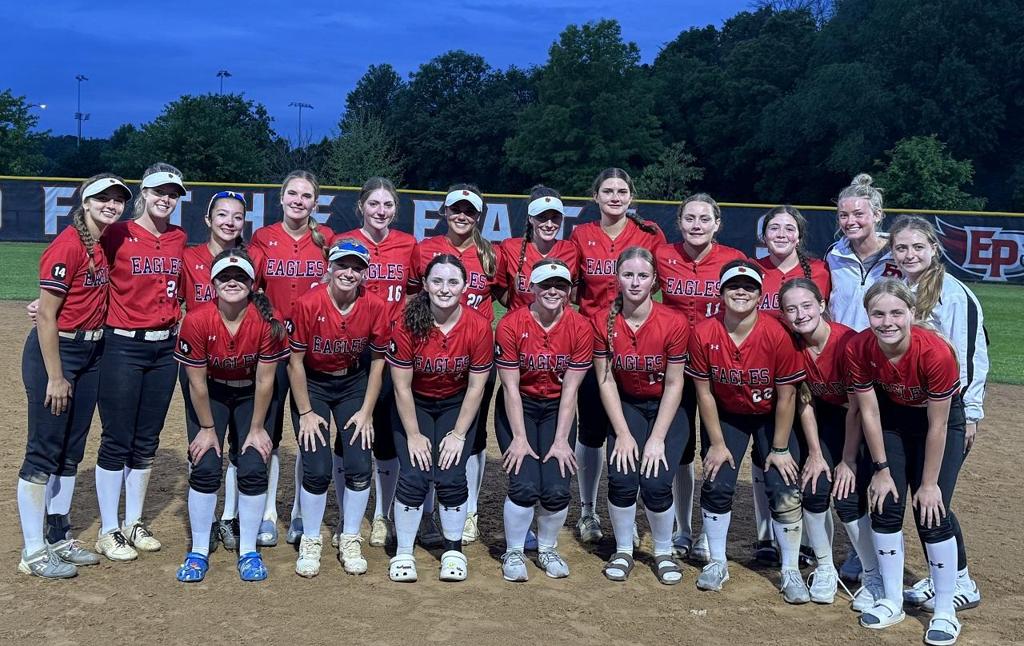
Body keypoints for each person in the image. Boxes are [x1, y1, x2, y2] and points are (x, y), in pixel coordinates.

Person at [17, 175, 130, 578]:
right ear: (85, 201)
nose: (111, 205)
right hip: (58, 353)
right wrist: (55, 376)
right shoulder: (68, 244)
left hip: (90, 351)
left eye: (118, 200)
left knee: (71, 451)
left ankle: (59, 534)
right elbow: (47, 315)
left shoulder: (101, 243)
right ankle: (33, 551)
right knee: (44, 450)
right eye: (103, 198)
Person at [846, 279, 967, 646]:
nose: (888, 322)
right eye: (878, 313)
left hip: (938, 425)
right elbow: (868, 411)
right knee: (885, 506)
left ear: (912, 313)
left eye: (897, 313)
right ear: (867, 315)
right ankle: (892, 600)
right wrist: (882, 470)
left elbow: (939, 424)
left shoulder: (935, 352)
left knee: (932, 512)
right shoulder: (860, 347)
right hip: (893, 423)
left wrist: (929, 485)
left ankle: (945, 610)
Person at [686, 260, 809, 602]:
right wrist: (716, 443)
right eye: (733, 286)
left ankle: (790, 570)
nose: (741, 291)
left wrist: (781, 448)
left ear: (760, 295)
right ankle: (717, 561)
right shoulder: (704, 333)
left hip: (772, 416)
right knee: (717, 479)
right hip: (728, 415)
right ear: (721, 292)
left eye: (750, 287)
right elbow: (705, 392)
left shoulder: (777, 333)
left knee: (783, 486)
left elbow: (787, 396)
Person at [889, 215, 987, 613]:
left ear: (934, 248)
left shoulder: (952, 292)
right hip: (908, 408)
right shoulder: (900, 290)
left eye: (917, 246)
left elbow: (969, 357)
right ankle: (942, 573)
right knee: (920, 498)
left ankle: (963, 581)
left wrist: (972, 412)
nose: (910, 254)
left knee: (933, 501)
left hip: (948, 409)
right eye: (901, 248)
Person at [174, 249, 287, 582]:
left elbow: (266, 380)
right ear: (213, 283)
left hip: (253, 393)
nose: (232, 283)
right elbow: (195, 383)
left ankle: (249, 550)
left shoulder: (266, 320)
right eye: (224, 277)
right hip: (211, 392)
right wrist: (207, 428)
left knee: (253, 463)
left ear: (252, 284)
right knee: (206, 463)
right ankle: (197, 550)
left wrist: (256, 428)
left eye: (240, 278)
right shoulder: (196, 320)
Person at [93, 163, 187, 561]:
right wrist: (47, 303)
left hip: (165, 349)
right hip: (122, 345)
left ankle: (133, 521)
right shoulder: (117, 233)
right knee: (117, 438)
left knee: (147, 438)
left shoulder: (179, 238)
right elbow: (88, 273)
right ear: (143, 193)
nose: (165, 199)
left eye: (173, 193)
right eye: (158, 191)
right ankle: (108, 528)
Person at [569, 168, 666, 544]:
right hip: (594, 342)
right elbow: (573, 289)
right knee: (592, 432)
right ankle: (588, 510)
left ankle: (644, 513)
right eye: (607, 191)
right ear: (595, 197)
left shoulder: (649, 234)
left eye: (621, 191)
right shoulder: (582, 234)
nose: (614, 197)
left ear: (631, 196)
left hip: (638, 345)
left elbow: (657, 282)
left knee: (642, 429)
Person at [386, 255, 493, 583]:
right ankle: (404, 551)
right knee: (415, 474)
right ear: (425, 284)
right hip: (414, 403)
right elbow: (401, 386)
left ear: (464, 286)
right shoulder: (407, 321)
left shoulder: (477, 325)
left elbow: (477, 386)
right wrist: (415, 435)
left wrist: (459, 434)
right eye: (437, 281)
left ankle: (452, 549)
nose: (444, 289)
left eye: (452, 282)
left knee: (451, 474)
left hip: (455, 405)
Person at [287, 239, 388, 577]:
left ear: (365, 273)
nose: (349, 272)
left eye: (357, 267)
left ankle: (350, 537)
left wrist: (366, 411)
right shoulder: (307, 303)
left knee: (359, 461)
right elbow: (295, 362)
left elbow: (377, 362)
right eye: (342, 265)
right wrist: (305, 412)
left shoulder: (373, 306)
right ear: (329, 268)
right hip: (312, 383)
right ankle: (312, 538)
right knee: (317, 465)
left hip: (353, 384)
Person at [655, 192, 744, 560]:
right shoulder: (663, 256)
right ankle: (683, 528)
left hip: (717, 366)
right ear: (680, 222)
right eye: (690, 218)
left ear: (717, 224)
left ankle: (711, 530)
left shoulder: (733, 261)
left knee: (714, 446)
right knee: (679, 450)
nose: (696, 225)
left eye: (704, 219)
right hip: (674, 366)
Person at [593, 247, 689, 585]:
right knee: (621, 478)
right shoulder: (603, 320)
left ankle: (663, 551)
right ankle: (623, 549)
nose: (635, 282)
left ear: (654, 281)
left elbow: (676, 383)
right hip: (627, 406)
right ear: (617, 278)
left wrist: (657, 439)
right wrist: (622, 433)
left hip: (666, 408)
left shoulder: (673, 321)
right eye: (628, 275)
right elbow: (605, 381)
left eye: (643, 276)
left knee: (656, 482)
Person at [410, 184, 500, 545]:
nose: (462, 216)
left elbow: (506, 295)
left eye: (469, 210)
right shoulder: (426, 250)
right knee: (428, 436)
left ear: (479, 216)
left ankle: (469, 510)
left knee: (473, 437)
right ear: (445, 212)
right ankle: (428, 509)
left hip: (474, 356)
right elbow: (413, 296)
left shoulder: (491, 254)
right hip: (431, 353)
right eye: (456, 209)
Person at [330, 178, 416, 549]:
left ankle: (382, 514)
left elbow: (413, 292)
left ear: (396, 209)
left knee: (385, 433)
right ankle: (343, 513)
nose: (381, 211)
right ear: (361, 206)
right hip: (354, 350)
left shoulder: (407, 244)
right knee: (346, 434)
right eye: (374, 204)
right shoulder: (344, 241)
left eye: (388, 205)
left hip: (393, 349)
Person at [825, 172, 901, 582]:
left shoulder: (898, 254)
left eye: (859, 213)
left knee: (883, 462)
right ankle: (861, 551)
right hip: (846, 370)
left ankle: (888, 550)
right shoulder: (833, 254)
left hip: (891, 368)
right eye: (844, 214)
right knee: (848, 461)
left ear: (877, 214)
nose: (851, 220)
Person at [250, 170, 332, 546]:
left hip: (311, 354)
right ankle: (267, 512)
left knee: (308, 433)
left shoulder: (327, 240)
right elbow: (250, 290)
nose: (299, 201)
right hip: (272, 348)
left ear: (316, 203)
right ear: (281, 198)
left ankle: (299, 511)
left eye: (307, 196)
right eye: (293, 194)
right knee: (268, 430)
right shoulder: (263, 238)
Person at [494, 259, 590, 582]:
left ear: (568, 291)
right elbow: (509, 387)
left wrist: (562, 440)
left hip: (556, 408)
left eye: (560, 285)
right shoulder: (511, 324)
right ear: (531, 288)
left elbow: (572, 390)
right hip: (518, 405)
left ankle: (547, 548)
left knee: (556, 487)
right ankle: (515, 550)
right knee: (523, 483)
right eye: (545, 285)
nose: (552, 291)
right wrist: (519, 438)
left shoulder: (580, 327)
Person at [180, 190, 264, 552]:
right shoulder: (188, 258)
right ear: (207, 219)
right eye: (222, 215)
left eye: (237, 216)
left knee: (249, 456)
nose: (229, 222)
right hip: (206, 371)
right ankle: (203, 538)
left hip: (247, 369)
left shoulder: (256, 257)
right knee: (206, 457)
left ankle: (232, 521)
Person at [753, 205, 832, 568]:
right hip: (764, 375)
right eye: (774, 227)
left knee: (808, 459)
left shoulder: (818, 271)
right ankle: (766, 535)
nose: (781, 234)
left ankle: (814, 546)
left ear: (799, 235)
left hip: (808, 375)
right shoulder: (754, 270)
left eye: (789, 228)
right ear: (763, 234)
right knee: (764, 456)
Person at [778, 277, 862, 604]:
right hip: (825, 420)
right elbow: (805, 400)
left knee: (850, 496)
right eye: (791, 309)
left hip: (863, 424)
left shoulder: (848, 342)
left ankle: (874, 574)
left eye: (807, 306)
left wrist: (848, 459)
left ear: (822, 305)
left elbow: (859, 408)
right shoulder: (794, 345)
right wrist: (815, 453)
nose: (800, 315)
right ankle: (826, 567)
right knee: (814, 488)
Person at [495, 185, 578, 311]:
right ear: (530, 218)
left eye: (555, 217)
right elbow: (499, 289)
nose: (549, 224)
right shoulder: (510, 248)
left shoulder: (571, 250)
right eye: (542, 217)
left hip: (558, 326)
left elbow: (576, 290)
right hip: (519, 326)